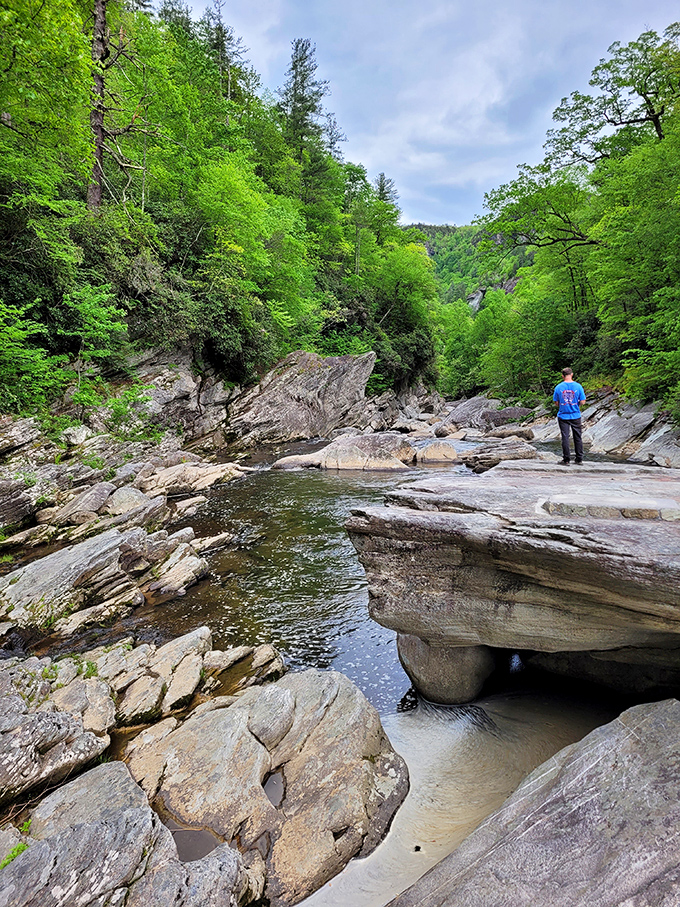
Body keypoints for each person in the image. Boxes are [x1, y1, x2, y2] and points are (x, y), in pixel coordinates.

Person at [553, 367, 586, 465]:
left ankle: (566, 459)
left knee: (565, 437)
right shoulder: (578, 386)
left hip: (563, 416)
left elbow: (556, 402)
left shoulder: (558, 387)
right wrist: (576, 404)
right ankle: (579, 459)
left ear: (562, 376)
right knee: (577, 437)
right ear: (572, 374)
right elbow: (583, 401)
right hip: (575, 415)